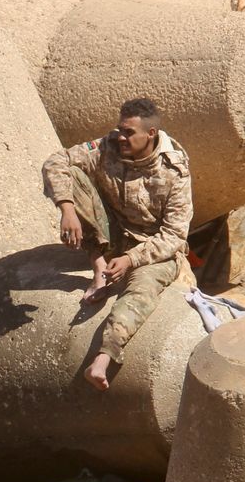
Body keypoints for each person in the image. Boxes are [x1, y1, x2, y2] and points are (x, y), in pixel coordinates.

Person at [42, 97, 193, 390]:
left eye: (129, 133)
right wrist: (67, 208)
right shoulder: (108, 145)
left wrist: (131, 260)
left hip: (152, 247)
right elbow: (56, 161)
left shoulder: (174, 170)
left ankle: (105, 355)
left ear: (150, 134)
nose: (120, 137)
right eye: (120, 129)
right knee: (72, 175)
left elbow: (175, 235)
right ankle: (98, 267)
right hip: (113, 230)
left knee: (142, 290)